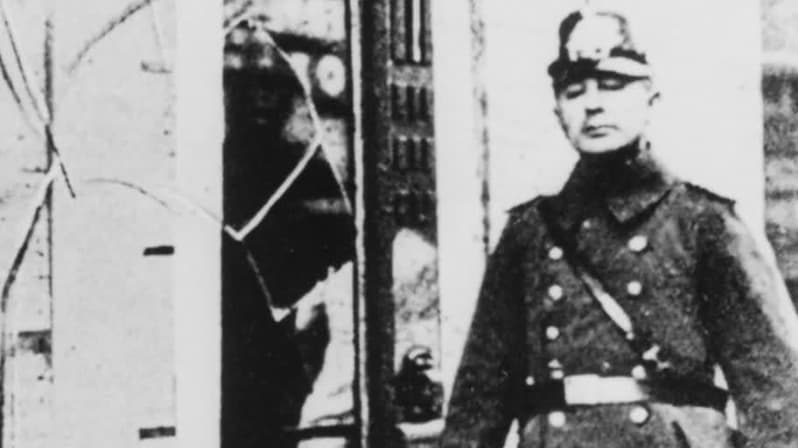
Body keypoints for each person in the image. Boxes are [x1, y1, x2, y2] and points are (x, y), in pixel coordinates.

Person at [441, 8, 798, 448]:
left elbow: (777, 396)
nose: (593, 104)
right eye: (574, 91)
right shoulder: (529, 232)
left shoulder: (703, 222)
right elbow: (478, 402)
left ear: (650, 97)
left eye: (613, 85)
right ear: (557, 110)